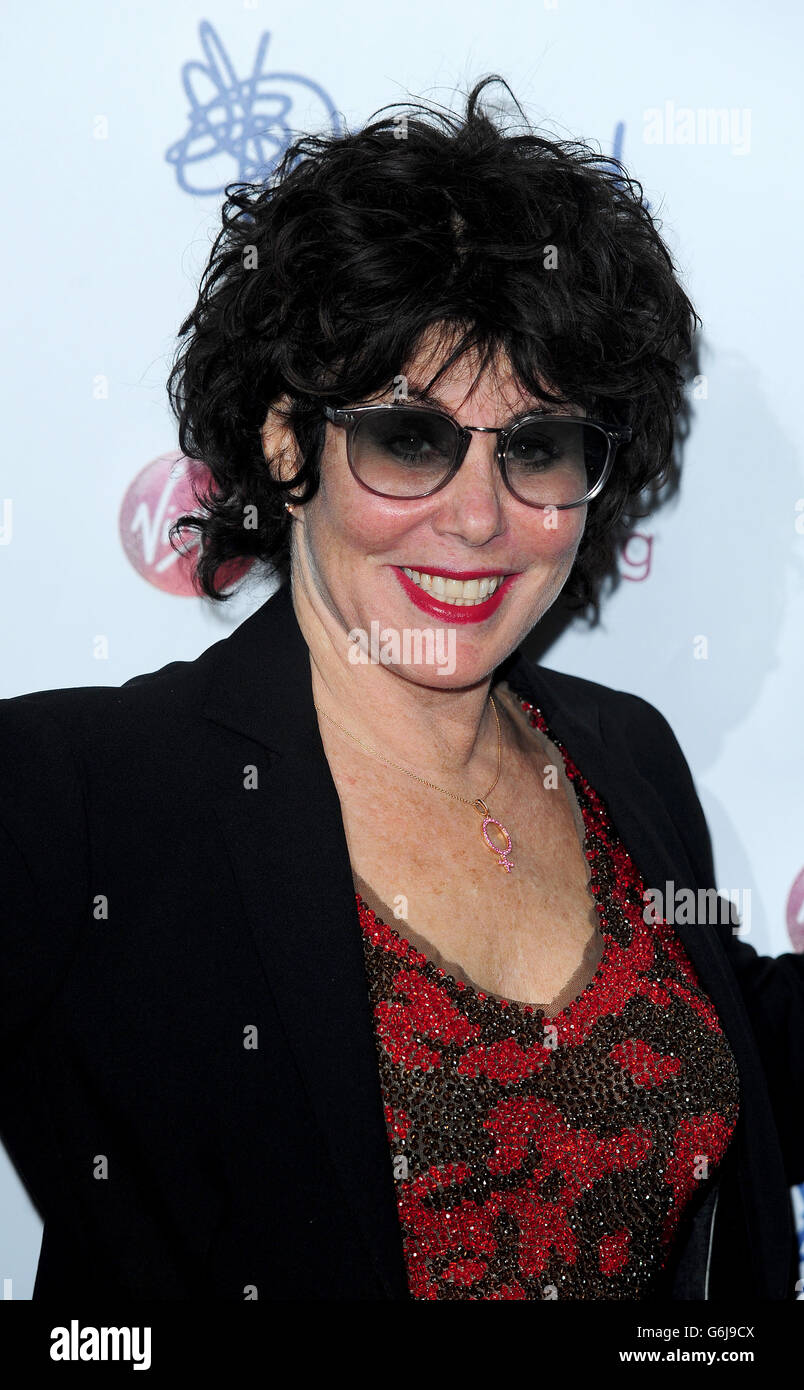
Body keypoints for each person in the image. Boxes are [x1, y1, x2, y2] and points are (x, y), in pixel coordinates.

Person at [1, 75, 802, 1303]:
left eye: (537, 446)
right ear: (287, 441)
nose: (478, 517)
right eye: (409, 438)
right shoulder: (87, 789)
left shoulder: (619, 749)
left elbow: (718, 1027)